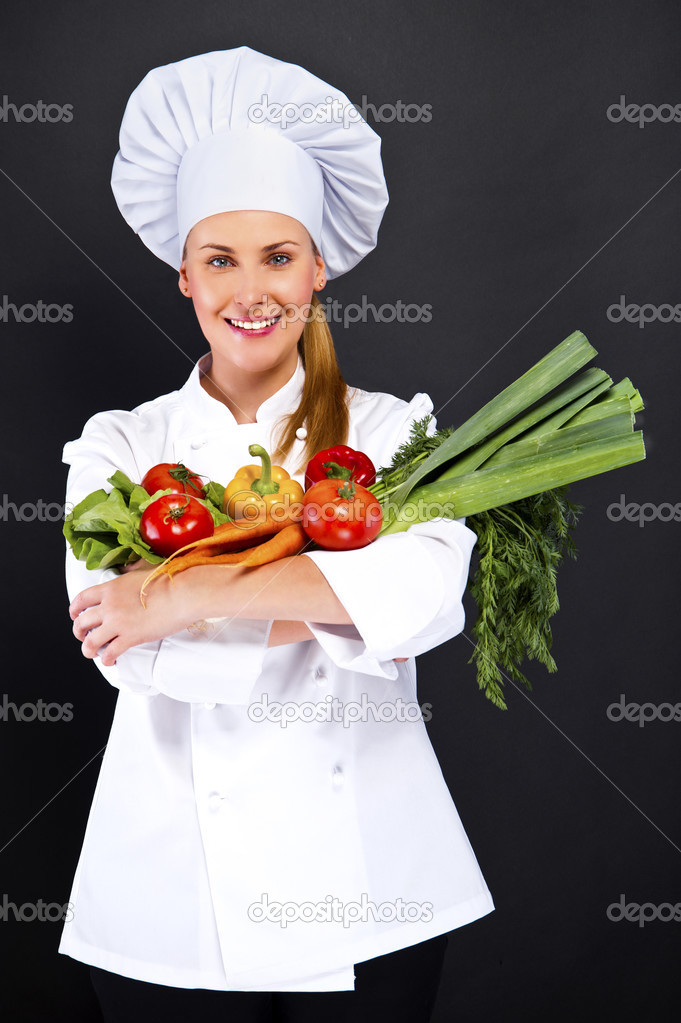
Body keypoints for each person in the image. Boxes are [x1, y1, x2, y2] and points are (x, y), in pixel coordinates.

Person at [61, 47, 494, 1023]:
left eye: (277, 256)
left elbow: (421, 602)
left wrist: (185, 592)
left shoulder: (394, 435)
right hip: (168, 903)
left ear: (318, 267)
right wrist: (329, 592)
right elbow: (123, 645)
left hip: (372, 894)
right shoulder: (120, 448)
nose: (249, 291)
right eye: (220, 258)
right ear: (184, 274)